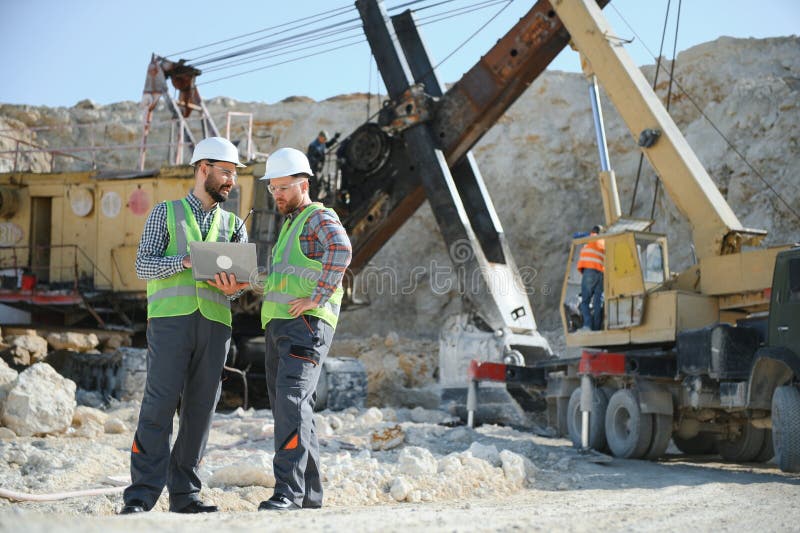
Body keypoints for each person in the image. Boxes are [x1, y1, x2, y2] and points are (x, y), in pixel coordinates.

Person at [120, 137, 251, 514]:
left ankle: (185, 496)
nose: (231, 181)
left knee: (200, 410)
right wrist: (185, 262)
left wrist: (236, 287)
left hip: (214, 327)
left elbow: (238, 290)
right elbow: (142, 265)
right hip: (170, 323)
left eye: (234, 175)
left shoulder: (233, 224)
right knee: (159, 406)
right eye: (225, 172)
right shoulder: (165, 213)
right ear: (203, 168)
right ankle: (141, 495)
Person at [257, 147, 352, 511]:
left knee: (291, 404)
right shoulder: (291, 224)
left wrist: (317, 297)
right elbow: (286, 277)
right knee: (294, 407)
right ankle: (309, 496)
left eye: (283, 187)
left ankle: (288, 493)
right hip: (282, 325)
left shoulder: (316, 217)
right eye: (273, 188)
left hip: (305, 325)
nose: (277, 194)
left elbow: (340, 250)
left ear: (304, 184)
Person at [577, 224, 605, 331]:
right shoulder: (604, 241)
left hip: (589, 272)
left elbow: (575, 236)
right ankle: (597, 327)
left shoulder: (589, 238)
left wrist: (587, 234)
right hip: (601, 274)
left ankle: (588, 326)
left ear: (593, 231)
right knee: (598, 302)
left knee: (585, 301)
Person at [306, 130, 340, 199]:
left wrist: (335, 138)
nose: (325, 140)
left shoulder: (321, 143)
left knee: (319, 186)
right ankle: (312, 202)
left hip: (318, 169)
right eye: (324, 139)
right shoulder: (313, 146)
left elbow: (327, 145)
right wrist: (318, 161)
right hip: (312, 170)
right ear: (320, 137)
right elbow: (310, 159)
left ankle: (314, 200)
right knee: (314, 187)